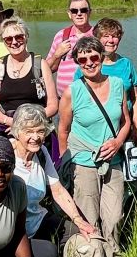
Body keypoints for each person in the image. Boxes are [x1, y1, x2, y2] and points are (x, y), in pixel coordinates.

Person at [58, 37, 131, 257]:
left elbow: (127, 121)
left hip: (114, 159)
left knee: (115, 214)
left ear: (101, 57)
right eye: (83, 60)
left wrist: (118, 142)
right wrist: (66, 162)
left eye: (93, 57)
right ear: (78, 64)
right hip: (83, 160)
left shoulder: (118, 84)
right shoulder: (73, 91)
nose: (89, 63)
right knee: (88, 215)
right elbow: (63, 129)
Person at [9, 104, 98, 243]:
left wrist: (79, 221)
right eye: (29, 131)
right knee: (48, 255)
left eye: (40, 131)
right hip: (13, 231)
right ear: (17, 132)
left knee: (86, 238)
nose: (35, 137)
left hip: (39, 221)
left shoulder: (41, 152)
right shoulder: (6, 154)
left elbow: (58, 190)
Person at [0, 16, 58, 134]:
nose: (14, 42)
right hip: (6, 129)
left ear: (26, 37)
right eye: (9, 39)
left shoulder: (40, 65)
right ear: (4, 42)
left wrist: (28, 123)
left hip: (36, 127)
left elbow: (53, 105)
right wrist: (12, 122)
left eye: (18, 37)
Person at [90, 18, 137, 130]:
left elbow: (136, 99)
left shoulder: (126, 64)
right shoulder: (88, 66)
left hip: (125, 126)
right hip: (95, 129)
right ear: (97, 39)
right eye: (106, 36)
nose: (111, 40)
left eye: (115, 36)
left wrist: (136, 129)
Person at [46, 0, 95, 99]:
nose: (79, 14)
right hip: (64, 100)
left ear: (89, 12)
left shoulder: (98, 35)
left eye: (83, 10)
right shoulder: (61, 36)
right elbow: (47, 69)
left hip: (91, 99)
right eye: (74, 11)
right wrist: (56, 55)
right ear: (69, 14)